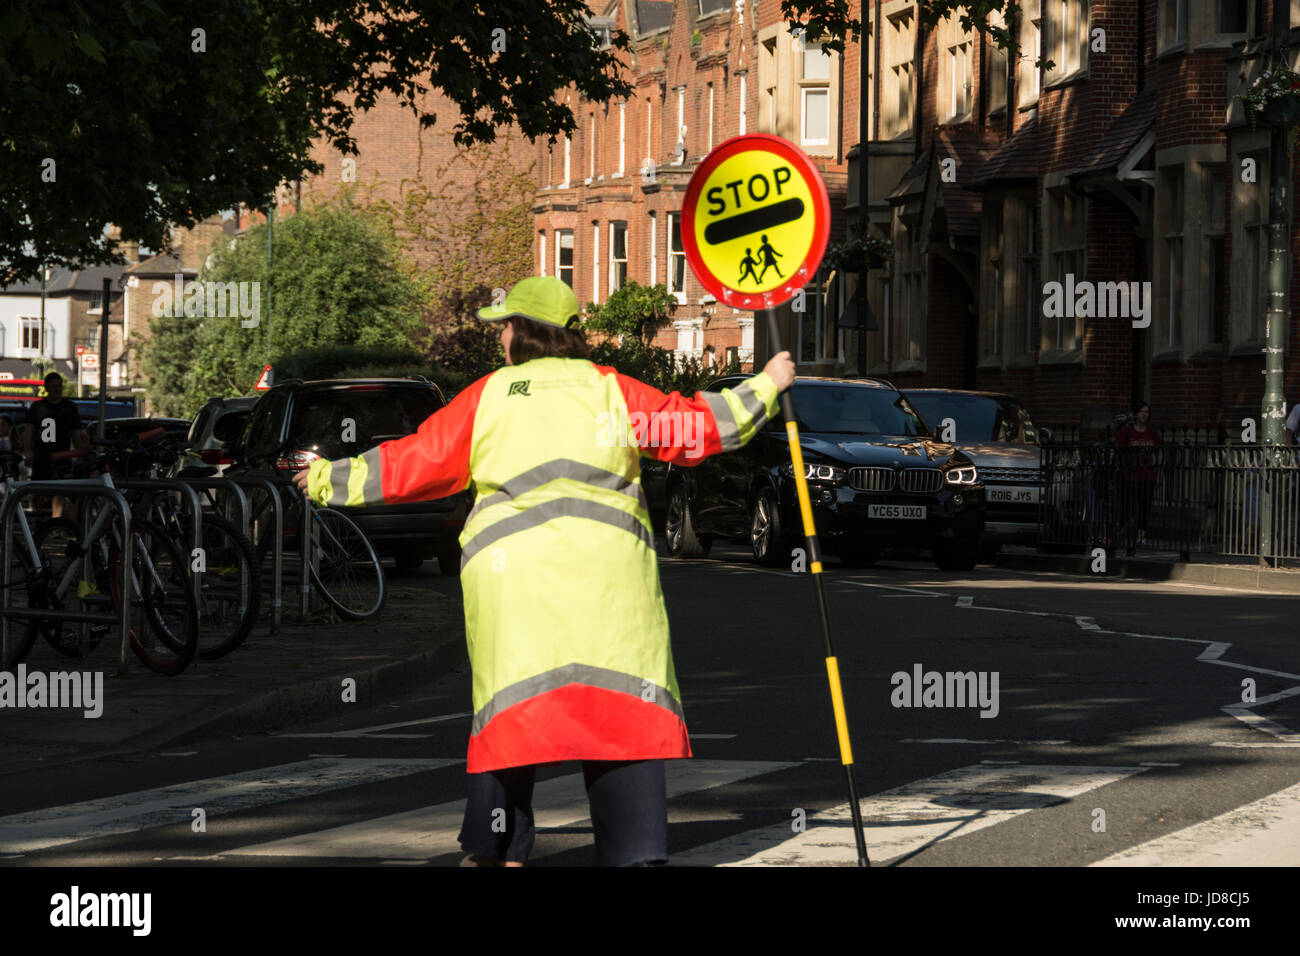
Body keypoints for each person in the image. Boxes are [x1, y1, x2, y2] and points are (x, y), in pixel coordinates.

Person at [292, 276, 795, 867]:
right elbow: (703, 428)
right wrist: (768, 383)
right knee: (620, 719)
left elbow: (414, 462)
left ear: (522, 333)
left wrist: (327, 478)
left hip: (514, 595)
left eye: (504, 325)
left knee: (511, 715)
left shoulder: (489, 398)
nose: (500, 336)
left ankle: (496, 848)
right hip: (610, 599)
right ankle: (633, 847)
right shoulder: (613, 392)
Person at [23, 373, 90, 518]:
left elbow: (75, 431)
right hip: (41, 453)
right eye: (53, 386)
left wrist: (81, 451)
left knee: (60, 488)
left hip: (63, 454)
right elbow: (29, 430)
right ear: (46, 388)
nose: (57, 389)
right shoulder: (37, 406)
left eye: (59, 386)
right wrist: (28, 452)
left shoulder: (69, 407)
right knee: (39, 488)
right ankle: (39, 517)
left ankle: (56, 521)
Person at [1116, 401, 1160, 554]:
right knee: (1127, 506)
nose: (1144, 414)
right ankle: (1121, 533)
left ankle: (1141, 536)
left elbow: (1157, 453)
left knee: (1145, 507)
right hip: (1129, 475)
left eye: (1146, 412)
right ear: (1135, 414)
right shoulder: (1126, 432)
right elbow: (1118, 451)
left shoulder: (1152, 432)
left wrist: (1158, 473)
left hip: (1147, 474)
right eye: (1141, 411)